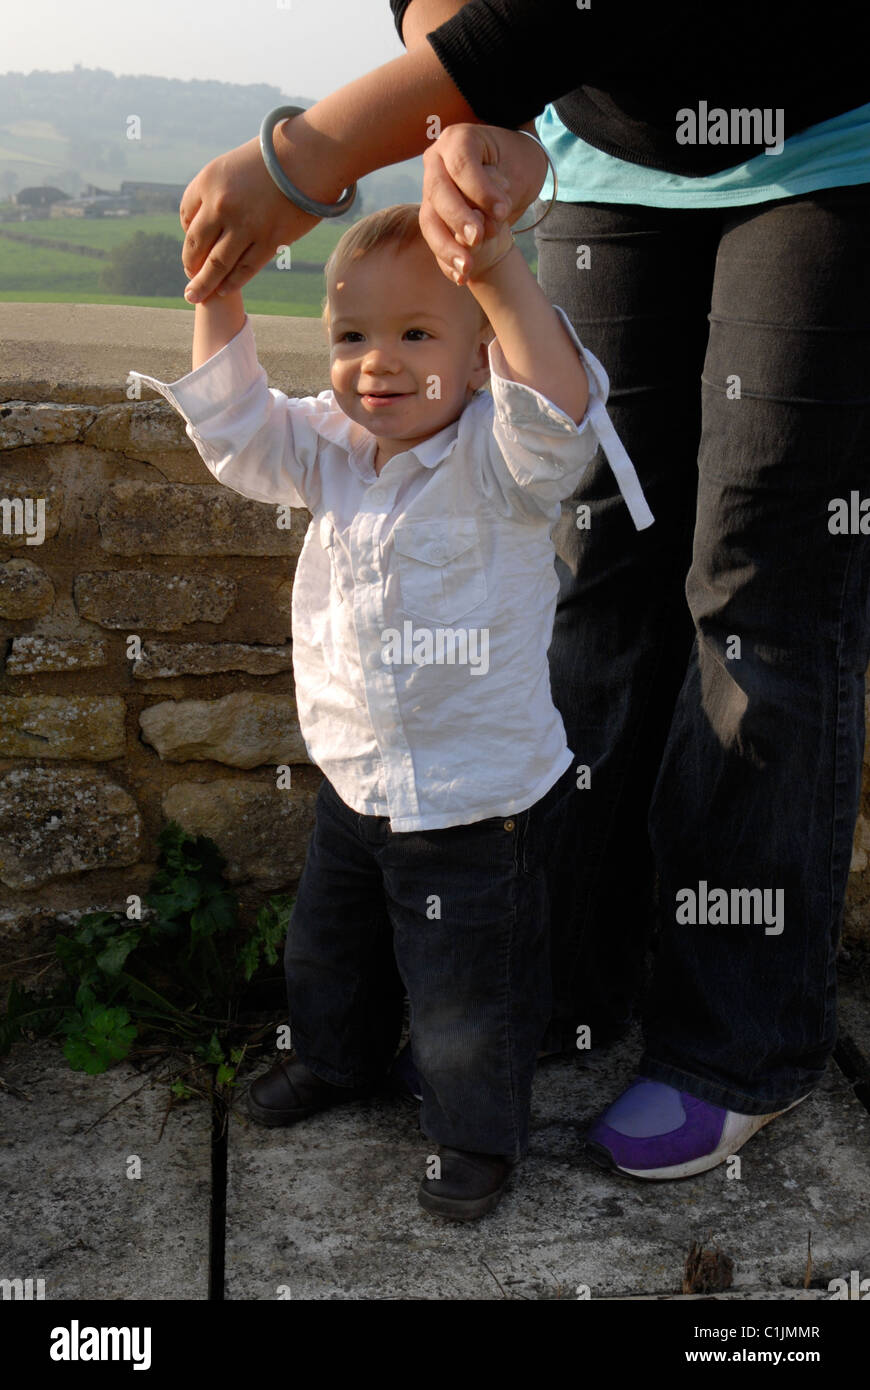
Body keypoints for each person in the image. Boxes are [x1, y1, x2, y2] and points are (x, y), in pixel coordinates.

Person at [174, 0, 870, 1182]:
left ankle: (737, 1043)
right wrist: (477, 117)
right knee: (590, 563)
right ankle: (559, 987)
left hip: (829, 140)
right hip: (612, 163)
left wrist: (302, 158)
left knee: (756, 586)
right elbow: (455, 8)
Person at [126, 195, 653, 1220]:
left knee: (465, 991)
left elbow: (557, 411)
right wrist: (220, 293)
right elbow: (236, 433)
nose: (379, 362)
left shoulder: (500, 462)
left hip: (470, 797)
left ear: (479, 352)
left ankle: (477, 1133)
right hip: (354, 774)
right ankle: (335, 1059)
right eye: (353, 337)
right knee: (328, 949)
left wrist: (498, 270)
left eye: (418, 334)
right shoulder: (330, 446)